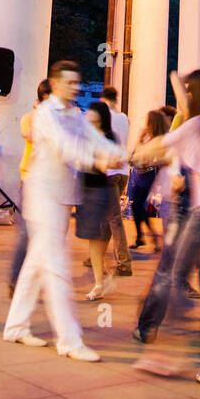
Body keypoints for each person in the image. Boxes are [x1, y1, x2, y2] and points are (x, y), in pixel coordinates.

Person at [4, 60, 123, 361]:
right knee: (56, 267)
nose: (75, 87)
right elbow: (65, 147)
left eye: (77, 82)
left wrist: (118, 155)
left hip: (60, 196)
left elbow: (94, 139)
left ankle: (16, 327)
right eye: (69, 83)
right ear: (55, 84)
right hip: (42, 195)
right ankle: (69, 341)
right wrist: (97, 161)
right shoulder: (45, 115)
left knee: (35, 265)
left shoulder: (75, 114)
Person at [130, 69, 200, 389]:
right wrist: (180, 80)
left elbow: (157, 147)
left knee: (173, 280)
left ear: (197, 96)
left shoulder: (193, 127)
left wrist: (133, 154)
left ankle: (165, 357)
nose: (186, 97)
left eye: (190, 93)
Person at [9, 79, 51, 295]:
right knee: (26, 233)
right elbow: (30, 135)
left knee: (46, 235)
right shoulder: (29, 118)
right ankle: (15, 280)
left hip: (50, 184)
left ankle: (36, 279)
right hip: (30, 179)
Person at [77, 100, 118, 299]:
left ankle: (100, 283)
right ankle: (104, 276)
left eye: (92, 112)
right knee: (94, 239)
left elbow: (104, 165)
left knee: (97, 239)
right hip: (86, 189)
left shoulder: (106, 137)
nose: (88, 114)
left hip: (100, 190)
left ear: (100, 116)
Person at [99, 86, 132, 277]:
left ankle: (124, 262)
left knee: (113, 217)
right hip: (123, 170)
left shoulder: (105, 117)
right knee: (108, 216)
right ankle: (97, 254)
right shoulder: (124, 118)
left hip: (110, 169)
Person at [128, 111, 168, 250]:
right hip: (141, 174)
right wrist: (140, 139)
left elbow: (164, 158)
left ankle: (149, 236)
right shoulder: (150, 139)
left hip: (149, 174)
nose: (146, 124)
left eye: (148, 121)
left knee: (138, 205)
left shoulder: (161, 140)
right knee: (136, 205)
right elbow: (134, 155)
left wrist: (153, 162)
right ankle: (141, 236)